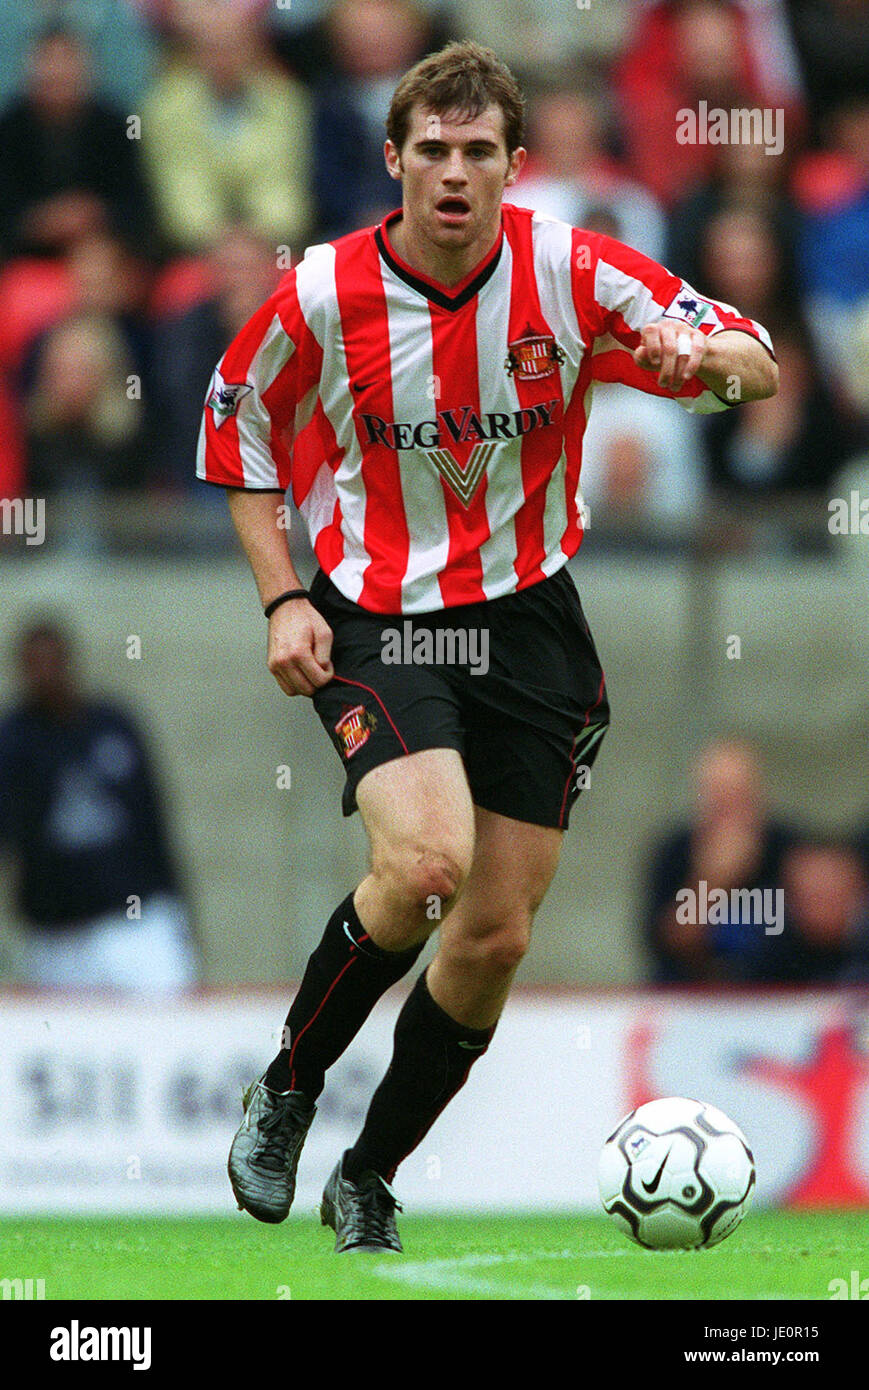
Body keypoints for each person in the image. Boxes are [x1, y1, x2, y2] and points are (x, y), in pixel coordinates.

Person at [198, 41, 777, 1253]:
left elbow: (752, 360)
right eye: (431, 151)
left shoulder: (570, 271)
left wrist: (699, 361)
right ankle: (289, 1085)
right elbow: (238, 433)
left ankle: (367, 1172)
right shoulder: (319, 297)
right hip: (378, 612)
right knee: (424, 865)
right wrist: (280, 599)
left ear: (514, 167)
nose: (453, 174)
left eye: (477, 154)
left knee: (495, 933)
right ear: (392, 160)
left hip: (527, 617)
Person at [0, 619, 197, 992]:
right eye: (33, 665)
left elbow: (152, 822)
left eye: (51, 661)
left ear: (68, 662)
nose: (44, 675)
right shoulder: (13, 742)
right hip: (58, 936)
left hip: (137, 924)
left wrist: (179, 907)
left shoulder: (114, 724)